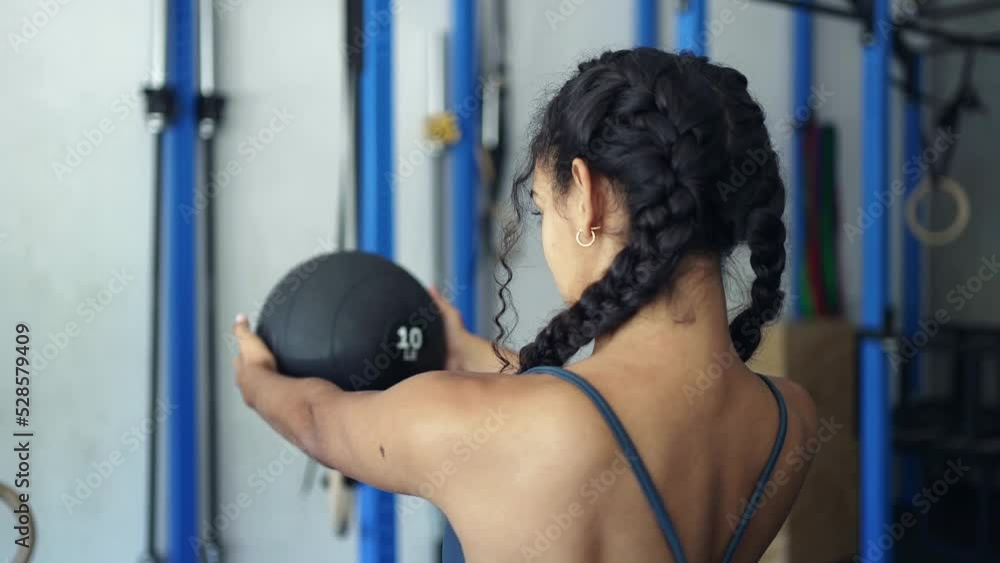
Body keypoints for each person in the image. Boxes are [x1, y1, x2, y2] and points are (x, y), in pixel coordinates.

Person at [232, 48, 818, 563]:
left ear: (586, 196)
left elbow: (317, 420)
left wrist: (256, 378)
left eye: (541, 206)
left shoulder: (503, 427)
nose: (544, 230)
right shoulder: (789, 419)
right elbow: (607, 420)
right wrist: (470, 353)